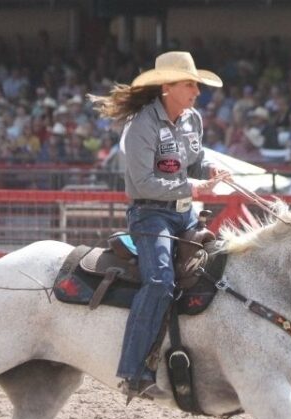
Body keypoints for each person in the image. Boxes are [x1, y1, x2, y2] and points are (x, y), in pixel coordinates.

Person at [89, 50, 229, 397]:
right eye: (189, 84)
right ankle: (133, 371)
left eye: (196, 85)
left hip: (184, 213)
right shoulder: (141, 125)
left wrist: (208, 170)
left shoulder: (191, 119)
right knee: (159, 280)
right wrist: (195, 186)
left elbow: (194, 160)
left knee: (221, 268)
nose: (196, 91)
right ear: (167, 87)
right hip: (150, 214)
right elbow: (144, 182)